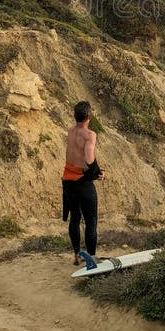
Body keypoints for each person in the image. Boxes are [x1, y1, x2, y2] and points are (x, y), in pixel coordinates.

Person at [62, 101, 105, 267]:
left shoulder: (70, 131)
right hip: (83, 183)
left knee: (75, 218)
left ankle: (76, 255)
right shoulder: (90, 135)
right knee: (91, 221)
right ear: (89, 116)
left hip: (68, 181)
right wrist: (98, 173)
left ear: (75, 116)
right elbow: (88, 158)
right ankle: (91, 259)